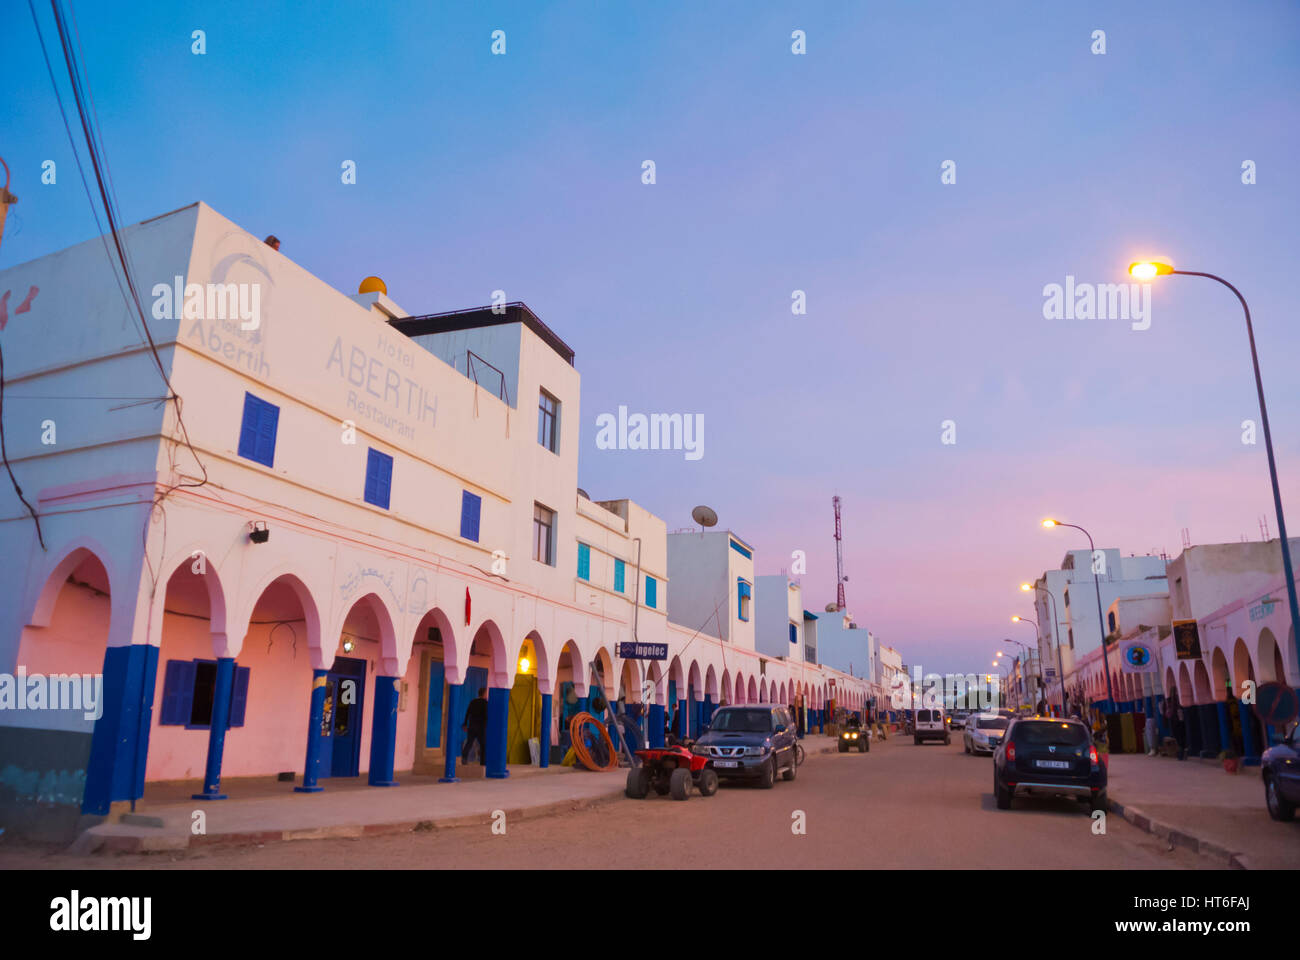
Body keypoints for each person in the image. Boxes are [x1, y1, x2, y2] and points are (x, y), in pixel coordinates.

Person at [461, 687, 489, 765]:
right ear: (484, 693)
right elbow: (486, 715)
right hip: (481, 727)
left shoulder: (472, 702)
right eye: (487, 693)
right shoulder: (485, 703)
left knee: (469, 742)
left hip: (472, 726)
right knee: (483, 745)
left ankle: (464, 758)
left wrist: (465, 724)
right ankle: (483, 762)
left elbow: (468, 713)